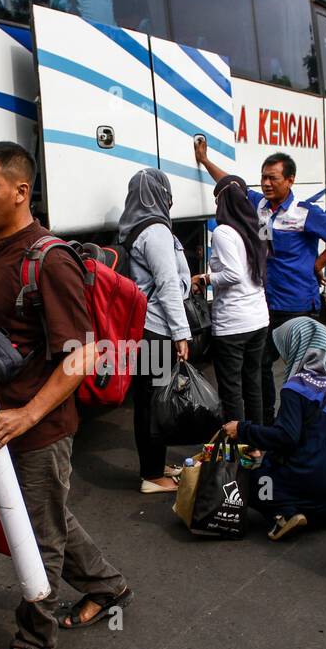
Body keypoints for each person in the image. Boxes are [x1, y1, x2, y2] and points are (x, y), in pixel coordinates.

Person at [0, 141, 131, 649]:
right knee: (49, 515)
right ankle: (107, 585)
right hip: (6, 416)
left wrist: (27, 416)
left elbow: (82, 356)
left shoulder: (50, 258)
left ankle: (34, 637)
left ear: (21, 190)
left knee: (39, 535)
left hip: (41, 424)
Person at [193, 138, 326, 421]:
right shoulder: (260, 206)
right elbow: (231, 185)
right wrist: (205, 161)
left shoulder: (304, 212)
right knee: (261, 367)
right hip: (268, 305)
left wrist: (317, 265)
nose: (266, 183)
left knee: (303, 370)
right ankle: (267, 421)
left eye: (273, 178)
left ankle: (307, 422)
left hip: (299, 304)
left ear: (290, 180)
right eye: (263, 177)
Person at [223, 318, 326, 540]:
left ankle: (284, 514)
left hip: (311, 476)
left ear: (297, 347)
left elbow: (285, 437)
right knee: (309, 473)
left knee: (251, 483)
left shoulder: (296, 388)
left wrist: (242, 429)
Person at [117, 168, 192, 494]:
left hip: (143, 328)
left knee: (150, 401)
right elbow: (168, 286)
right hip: (157, 329)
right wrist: (181, 332)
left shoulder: (131, 228)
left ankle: (156, 465)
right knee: (153, 404)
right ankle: (151, 476)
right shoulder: (156, 232)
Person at [191, 174, 269, 425]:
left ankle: (238, 448)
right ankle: (254, 445)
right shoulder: (256, 226)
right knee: (253, 384)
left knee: (232, 389)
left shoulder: (224, 232)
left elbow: (233, 274)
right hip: (258, 319)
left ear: (222, 201)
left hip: (234, 324)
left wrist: (204, 278)